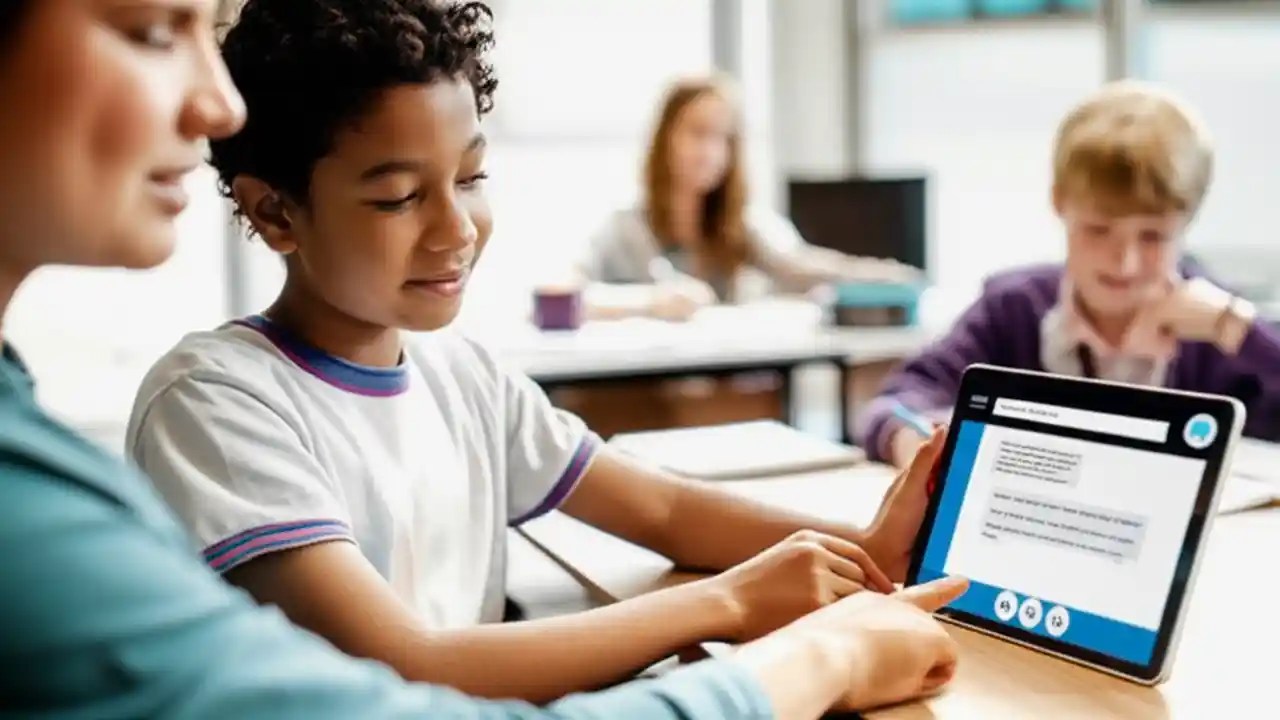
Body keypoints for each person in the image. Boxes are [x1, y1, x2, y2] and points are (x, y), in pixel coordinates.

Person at [0, 1, 973, 718]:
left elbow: (664, 506)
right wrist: (727, 606)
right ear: (272, 212)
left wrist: (859, 547)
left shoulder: (460, 373)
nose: (454, 228)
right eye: (395, 198)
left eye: (469, 175)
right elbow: (405, 666)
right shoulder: (215, 401)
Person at [864, 80, 1280, 467]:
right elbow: (895, 403)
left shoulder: (1219, 330)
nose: (1125, 262)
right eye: (1098, 230)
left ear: (1188, 221)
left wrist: (1240, 330)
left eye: (1153, 236)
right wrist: (914, 441)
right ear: (1059, 203)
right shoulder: (1014, 310)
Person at [576, 75, 919, 322]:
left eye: (724, 138)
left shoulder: (743, 224)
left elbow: (802, 266)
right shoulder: (625, 227)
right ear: (665, 138)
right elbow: (562, 296)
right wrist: (650, 302)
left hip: (721, 385)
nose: (710, 151)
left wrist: (887, 275)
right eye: (698, 132)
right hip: (638, 389)